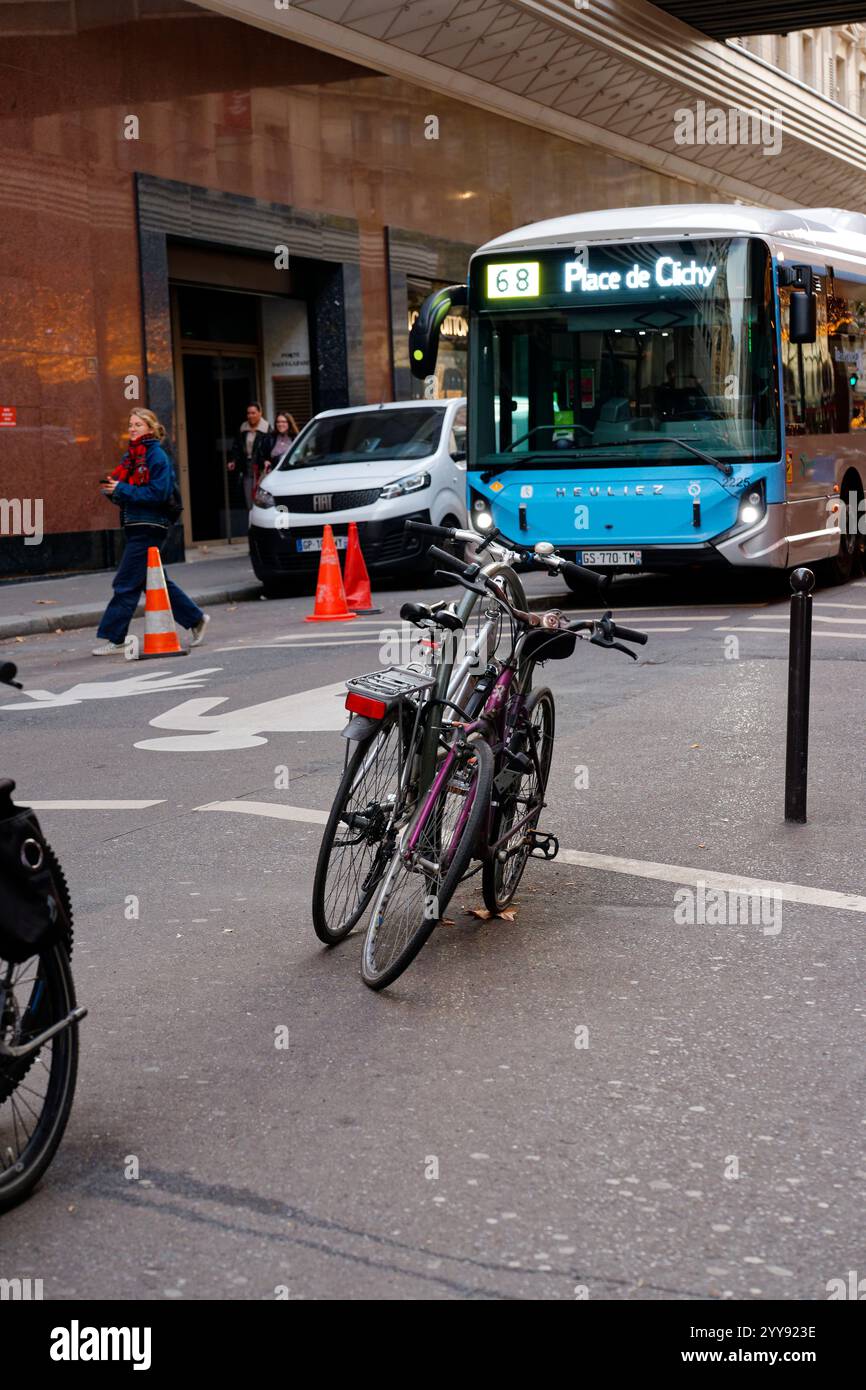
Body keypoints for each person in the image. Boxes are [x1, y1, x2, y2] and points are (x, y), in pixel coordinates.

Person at [93, 409, 209, 656]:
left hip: (150, 527)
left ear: (150, 428)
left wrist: (122, 489)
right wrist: (113, 491)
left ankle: (116, 638)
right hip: (136, 525)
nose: (132, 428)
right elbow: (128, 491)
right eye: (130, 424)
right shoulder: (132, 457)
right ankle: (196, 619)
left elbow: (158, 494)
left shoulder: (157, 456)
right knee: (155, 583)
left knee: (125, 583)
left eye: (137, 424)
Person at [228, 402, 272, 508]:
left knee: (261, 499)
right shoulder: (243, 428)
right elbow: (237, 446)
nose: (250, 416)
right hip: (247, 468)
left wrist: (267, 460)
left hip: (261, 468)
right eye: (248, 413)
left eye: (253, 413)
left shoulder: (266, 429)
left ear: (260, 413)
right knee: (249, 499)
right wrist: (233, 460)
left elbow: (270, 448)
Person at [262, 411, 298, 479]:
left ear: (289, 423)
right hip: (274, 475)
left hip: (292, 474)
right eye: (278, 422)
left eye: (283, 422)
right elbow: (263, 455)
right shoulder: (270, 438)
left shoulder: (296, 438)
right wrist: (265, 461)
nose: (280, 424)